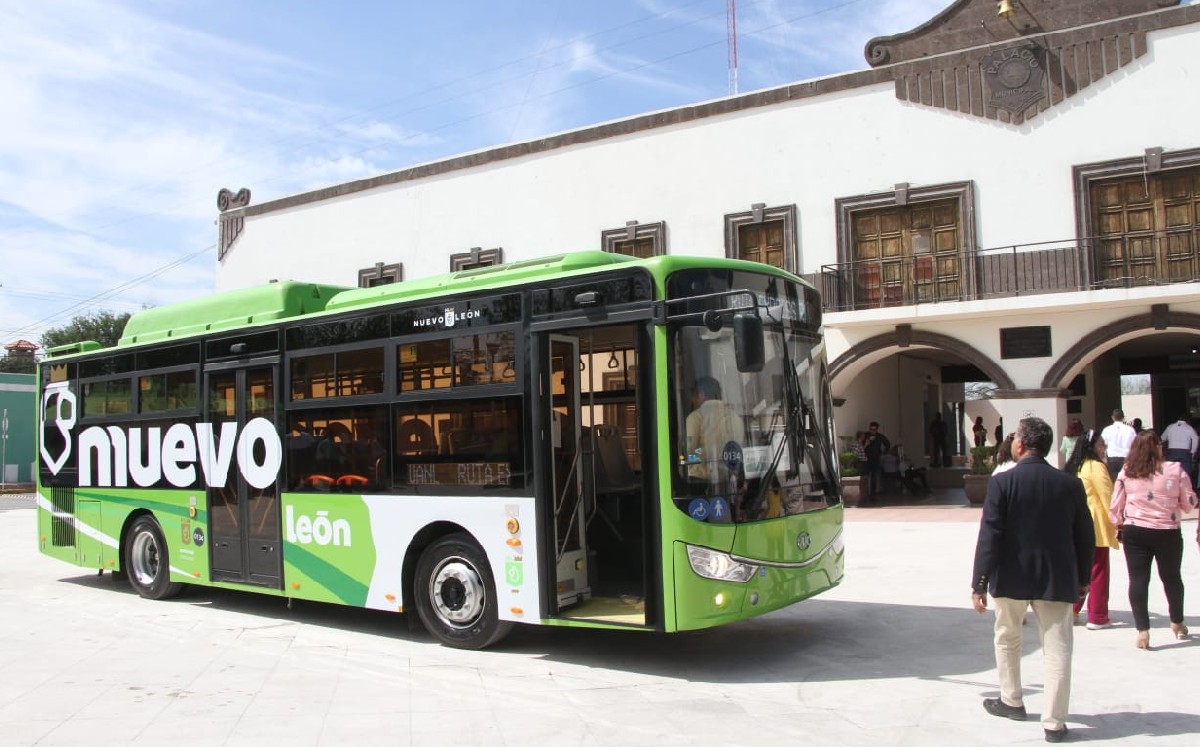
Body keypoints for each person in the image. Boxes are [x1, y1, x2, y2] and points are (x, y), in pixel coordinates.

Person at [971, 416, 1093, 743]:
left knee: (1007, 638)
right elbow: (1084, 536)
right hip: (1056, 577)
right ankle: (1054, 721)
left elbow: (990, 535)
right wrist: (1083, 578)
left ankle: (1011, 699)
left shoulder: (1003, 483)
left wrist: (979, 581)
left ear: (1021, 444)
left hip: (1011, 575)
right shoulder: (1069, 484)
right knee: (1058, 649)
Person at [1109, 429, 1198, 649]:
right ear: (1158, 447)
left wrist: (1119, 523)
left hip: (1135, 531)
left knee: (1138, 580)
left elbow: (1115, 506)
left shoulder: (1127, 471)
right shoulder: (1175, 470)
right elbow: (1189, 504)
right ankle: (1177, 621)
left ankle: (1143, 630)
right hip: (1167, 531)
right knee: (1172, 578)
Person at [1064, 429, 1119, 630]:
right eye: (1101, 444)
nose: (1104, 447)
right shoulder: (1096, 467)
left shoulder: (1074, 466)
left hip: (1075, 524)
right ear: (1092, 446)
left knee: (1081, 569)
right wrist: (1119, 522)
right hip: (1095, 524)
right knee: (1098, 570)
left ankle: (1072, 610)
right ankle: (1097, 615)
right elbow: (1108, 497)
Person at [685, 376, 744, 485]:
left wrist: (699, 452)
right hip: (729, 482)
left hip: (699, 483)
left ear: (701, 395)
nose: (692, 401)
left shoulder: (695, 417)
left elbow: (688, 455)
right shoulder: (736, 418)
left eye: (693, 396)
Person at [1100, 408, 1136, 481]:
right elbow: (1136, 445)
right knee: (1126, 480)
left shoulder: (1107, 430)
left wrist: (1104, 460)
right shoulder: (1130, 430)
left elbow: (1102, 445)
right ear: (1123, 417)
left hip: (1112, 459)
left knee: (1114, 481)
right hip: (1126, 459)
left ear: (1112, 417)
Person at [1160, 414, 1198, 480]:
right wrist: (1192, 452)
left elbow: (1162, 438)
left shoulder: (1170, 427)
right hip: (1185, 453)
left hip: (1172, 453)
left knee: (1170, 474)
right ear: (1188, 420)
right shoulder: (1189, 428)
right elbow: (1195, 439)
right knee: (1186, 475)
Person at [863, 421, 891, 501]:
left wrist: (883, 454)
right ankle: (865, 494)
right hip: (866, 458)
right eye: (871, 429)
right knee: (865, 476)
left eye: (874, 429)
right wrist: (867, 440)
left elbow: (887, 444)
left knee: (874, 477)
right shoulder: (866, 435)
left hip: (876, 458)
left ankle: (873, 495)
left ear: (877, 429)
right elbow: (861, 444)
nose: (872, 431)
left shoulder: (880, 436)